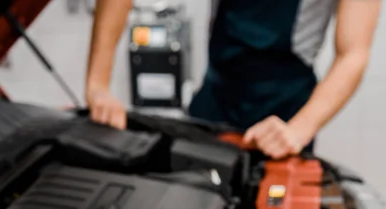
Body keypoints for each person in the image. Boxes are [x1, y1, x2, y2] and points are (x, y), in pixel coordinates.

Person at [86, 0, 381, 159]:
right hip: (213, 101)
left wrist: (298, 131)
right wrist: (98, 84)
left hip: (286, 112)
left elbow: (353, 54)